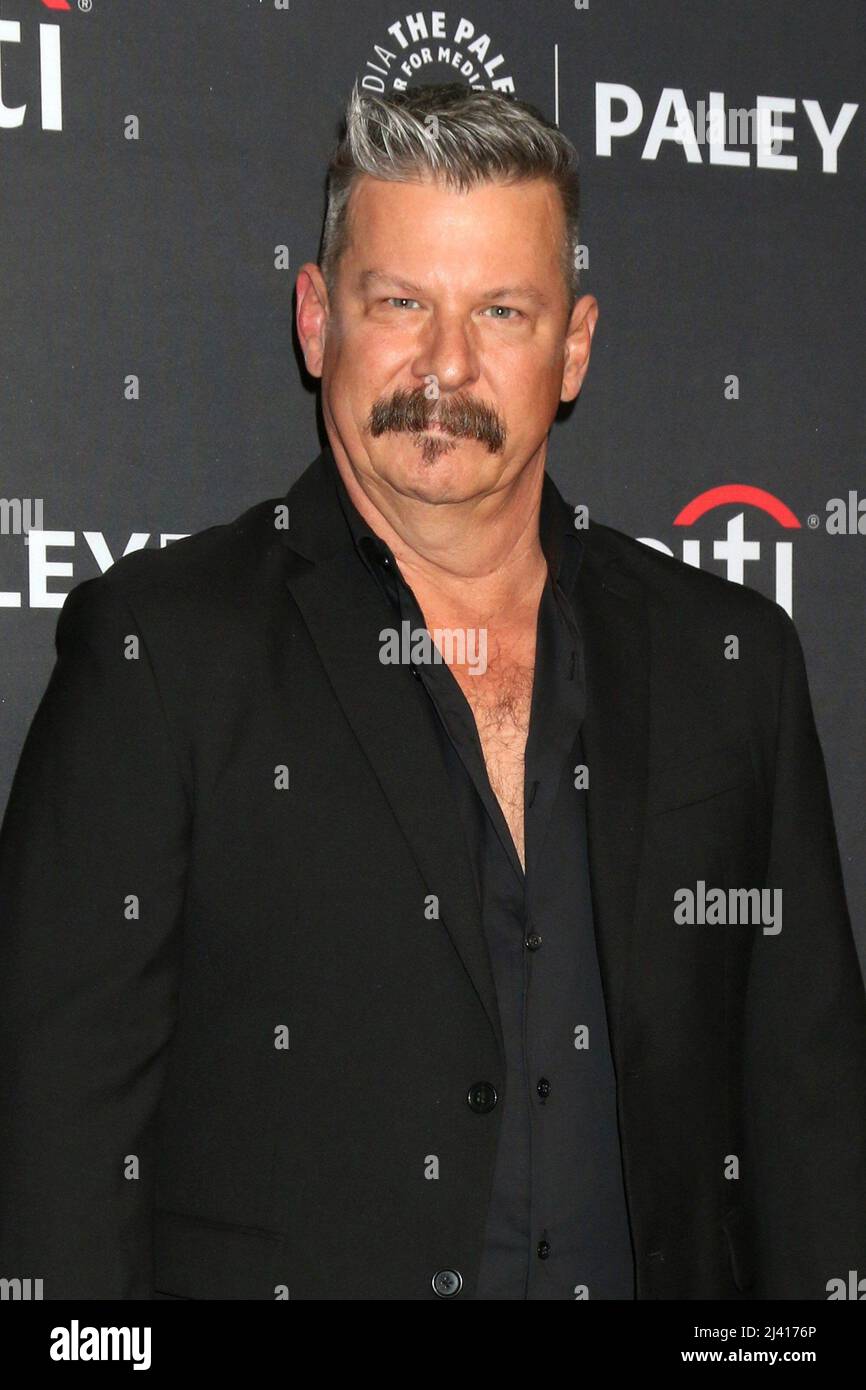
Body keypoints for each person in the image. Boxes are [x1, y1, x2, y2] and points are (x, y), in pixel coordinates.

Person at [1, 80, 864, 1301]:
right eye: (399, 301)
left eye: (501, 311)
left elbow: (808, 1117)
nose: (444, 364)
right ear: (315, 319)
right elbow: (57, 1142)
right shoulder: (161, 652)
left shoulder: (730, 662)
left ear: (571, 348)